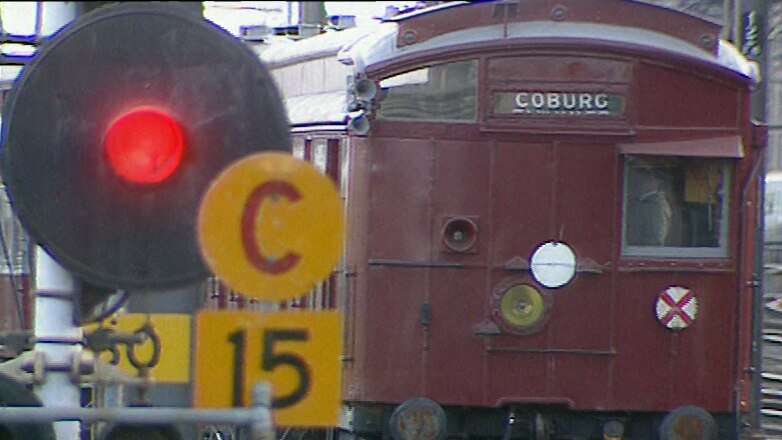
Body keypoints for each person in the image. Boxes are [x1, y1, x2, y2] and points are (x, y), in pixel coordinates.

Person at [627, 167, 673, 246]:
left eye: (647, 179)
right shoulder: (643, 202)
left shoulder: (655, 206)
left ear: (656, 182)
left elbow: (654, 237)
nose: (642, 182)